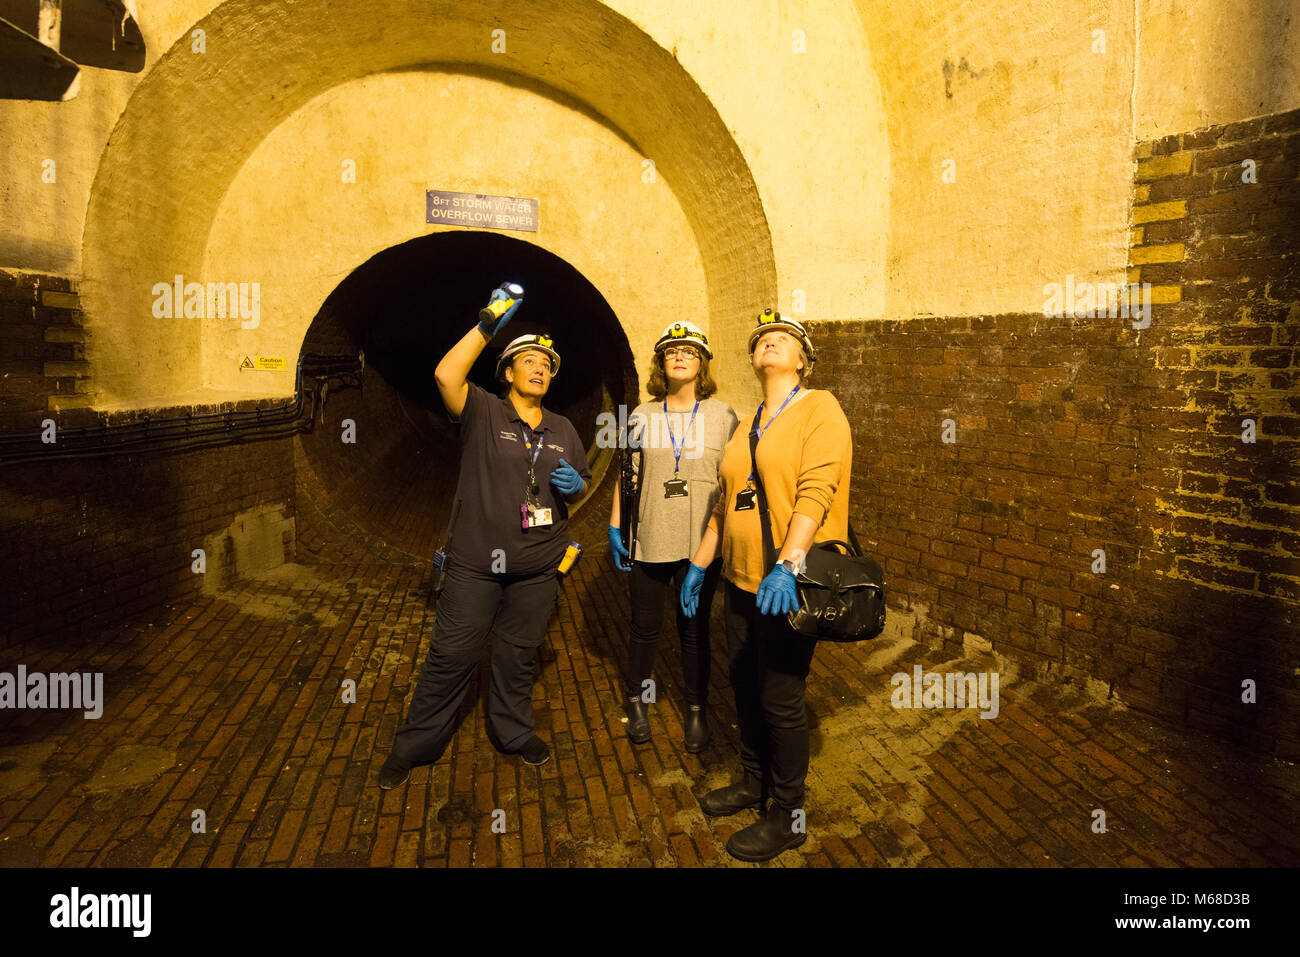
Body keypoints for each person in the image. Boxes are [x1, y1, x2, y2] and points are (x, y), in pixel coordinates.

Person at [378, 285, 591, 789]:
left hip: (540, 566)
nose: (539, 367)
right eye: (527, 360)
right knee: (451, 655)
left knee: (518, 655)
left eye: (546, 362)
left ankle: (514, 733)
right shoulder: (483, 412)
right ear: (508, 372)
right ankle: (415, 745)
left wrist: (578, 485)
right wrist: (487, 327)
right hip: (476, 564)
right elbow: (445, 375)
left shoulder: (563, 428)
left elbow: (577, 484)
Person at [679, 309, 852, 862]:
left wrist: (790, 559)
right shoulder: (750, 418)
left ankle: (789, 813)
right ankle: (754, 783)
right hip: (740, 581)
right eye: (761, 340)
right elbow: (725, 503)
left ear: (802, 358)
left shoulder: (820, 408)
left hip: (788, 583)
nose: (769, 343)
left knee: (781, 696)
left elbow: (817, 489)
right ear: (752, 360)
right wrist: (701, 564)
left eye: (784, 338)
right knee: (744, 684)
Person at [608, 321, 738, 751]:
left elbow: (735, 479)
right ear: (661, 364)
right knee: (644, 629)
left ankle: (696, 710)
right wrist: (615, 525)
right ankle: (638, 702)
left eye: (689, 351)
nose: (679, 356)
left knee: (695, 630)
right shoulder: (643, 415)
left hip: (701, 545)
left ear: (702, 364)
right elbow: (626, 475)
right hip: (651, 537)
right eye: (671, 351)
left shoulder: (723, 416)